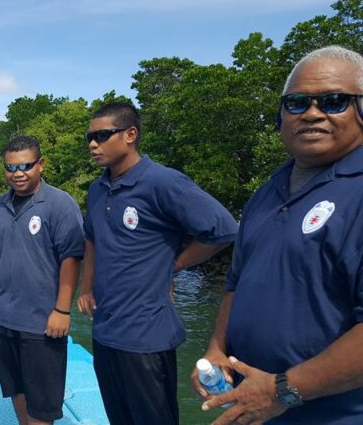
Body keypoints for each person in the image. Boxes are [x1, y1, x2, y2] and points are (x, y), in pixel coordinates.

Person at [193, 46, 363, 424]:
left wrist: (284, 389)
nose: (313, 113)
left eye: (334, 101)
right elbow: (235, 285)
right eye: (297, 103)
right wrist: (217, 350)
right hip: (250, 406)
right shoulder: (267, 193)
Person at [77, 102, 238, 424]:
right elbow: (92, 237)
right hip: (106, 329)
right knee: (119, 417)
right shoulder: (97, 189)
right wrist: (86, 287)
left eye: (102, 135)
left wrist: (173, 266)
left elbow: (222, 230)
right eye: (89, 138)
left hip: (146, 335)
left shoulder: (163, 182)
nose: (93, 144)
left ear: (130, 135)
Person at [0, 136, 84, 425]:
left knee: (41, 405)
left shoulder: (61, 204)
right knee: (17, 391)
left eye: (25, 165)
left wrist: (62, 310)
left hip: (43, 323)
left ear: (41, 164)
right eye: (10, 167)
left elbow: (71, 259)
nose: (18, 173)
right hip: (6, 318)